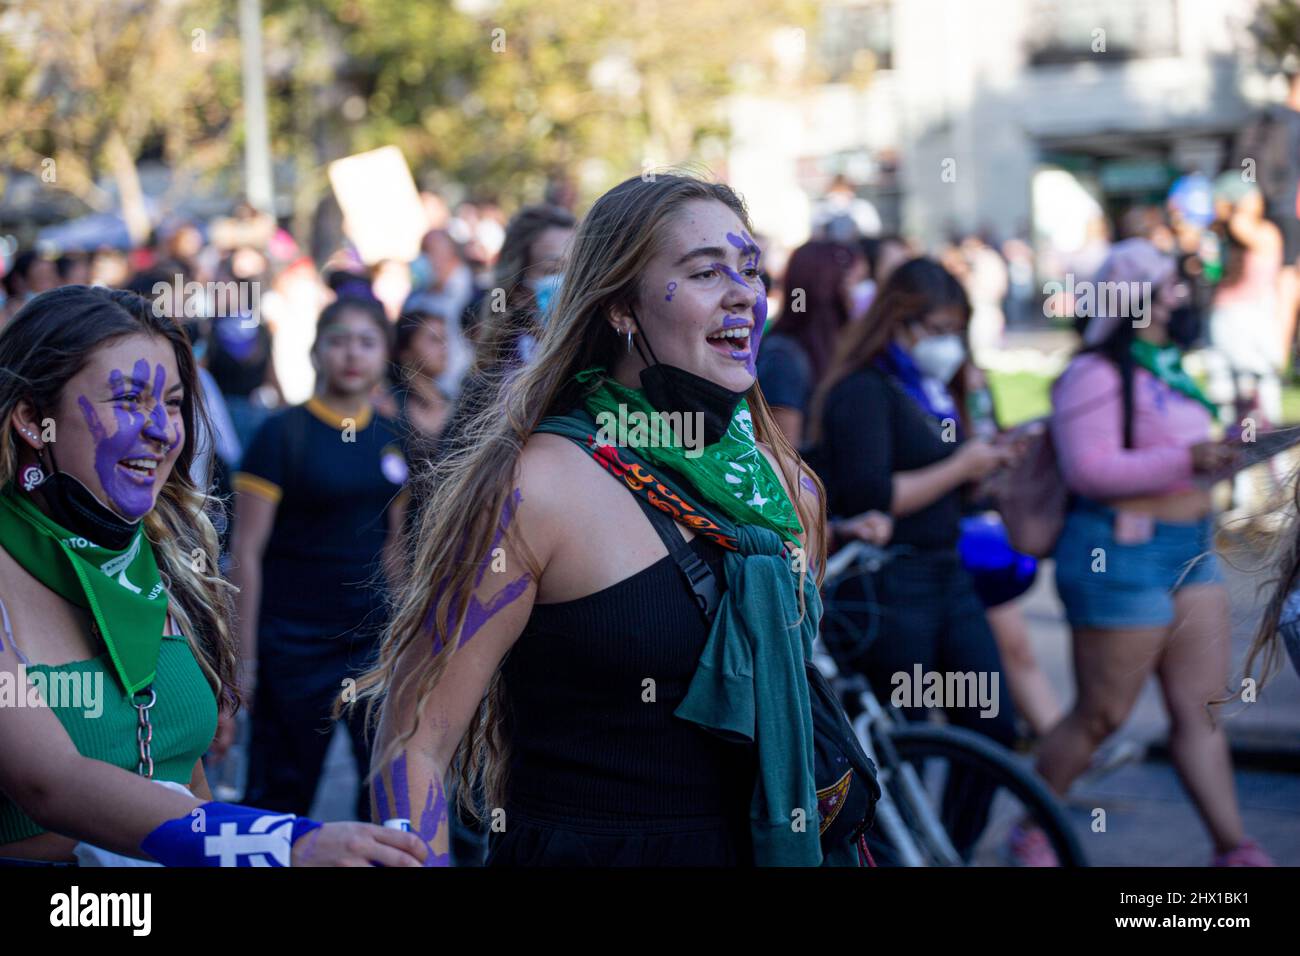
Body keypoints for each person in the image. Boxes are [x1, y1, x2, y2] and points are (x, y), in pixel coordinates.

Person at [353, 174, 842, 867]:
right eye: (705, 272)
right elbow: (416, 739)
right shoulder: (537, 486)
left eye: (751, 270)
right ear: (619, 306)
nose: (744, 294)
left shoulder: (786, 488)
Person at [0, 285, 424, 866]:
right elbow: (49, 783)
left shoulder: (161, 555)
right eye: (127, 399)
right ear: (31, 418)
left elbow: (186, 781)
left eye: (172, 403)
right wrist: (286, 843)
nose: (161, 430)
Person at [1036, 238, 1274, 867]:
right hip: (1117, 555)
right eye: (1169, 284)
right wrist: (1187, 458)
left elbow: (1179, 454)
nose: (1180, 295)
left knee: (1202, 712)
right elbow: (1089, 470)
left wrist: (1234, 442)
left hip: (1191, 549)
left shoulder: (1168, 365)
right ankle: (1034, 828)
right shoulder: (1095, 372)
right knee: (1102, 715)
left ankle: (1234, 849)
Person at [806, 257, 1025, 862]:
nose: (947, 344)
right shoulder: (862, 390)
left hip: (946, 572)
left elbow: (944, 484)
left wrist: (985, 471)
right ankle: (895, 854)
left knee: (992, 727)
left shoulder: (932, 389)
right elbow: (876, 495)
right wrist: (962, 467)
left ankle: (943, 850)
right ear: (898, 323)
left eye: (956, 329)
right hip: (890, 582)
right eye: (936, 328)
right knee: (898, 740)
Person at [230, 295, 409, 821]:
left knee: (383, 794)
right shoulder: (281, 434)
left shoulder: (390, 437)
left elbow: (393, 547)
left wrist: (404, 636)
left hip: (371, 644)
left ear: (384, 354)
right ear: (315, 352)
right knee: (281, 798)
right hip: (293, 643)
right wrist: (244, 660)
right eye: (338, 340)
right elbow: (245, 550)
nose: (351, 354)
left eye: (366, 342)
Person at [756, 240, 864, 450]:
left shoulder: (840, 345)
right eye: (858, 281)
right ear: (831, 286)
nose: (865, 292)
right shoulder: (784, 357)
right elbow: (784, 455)